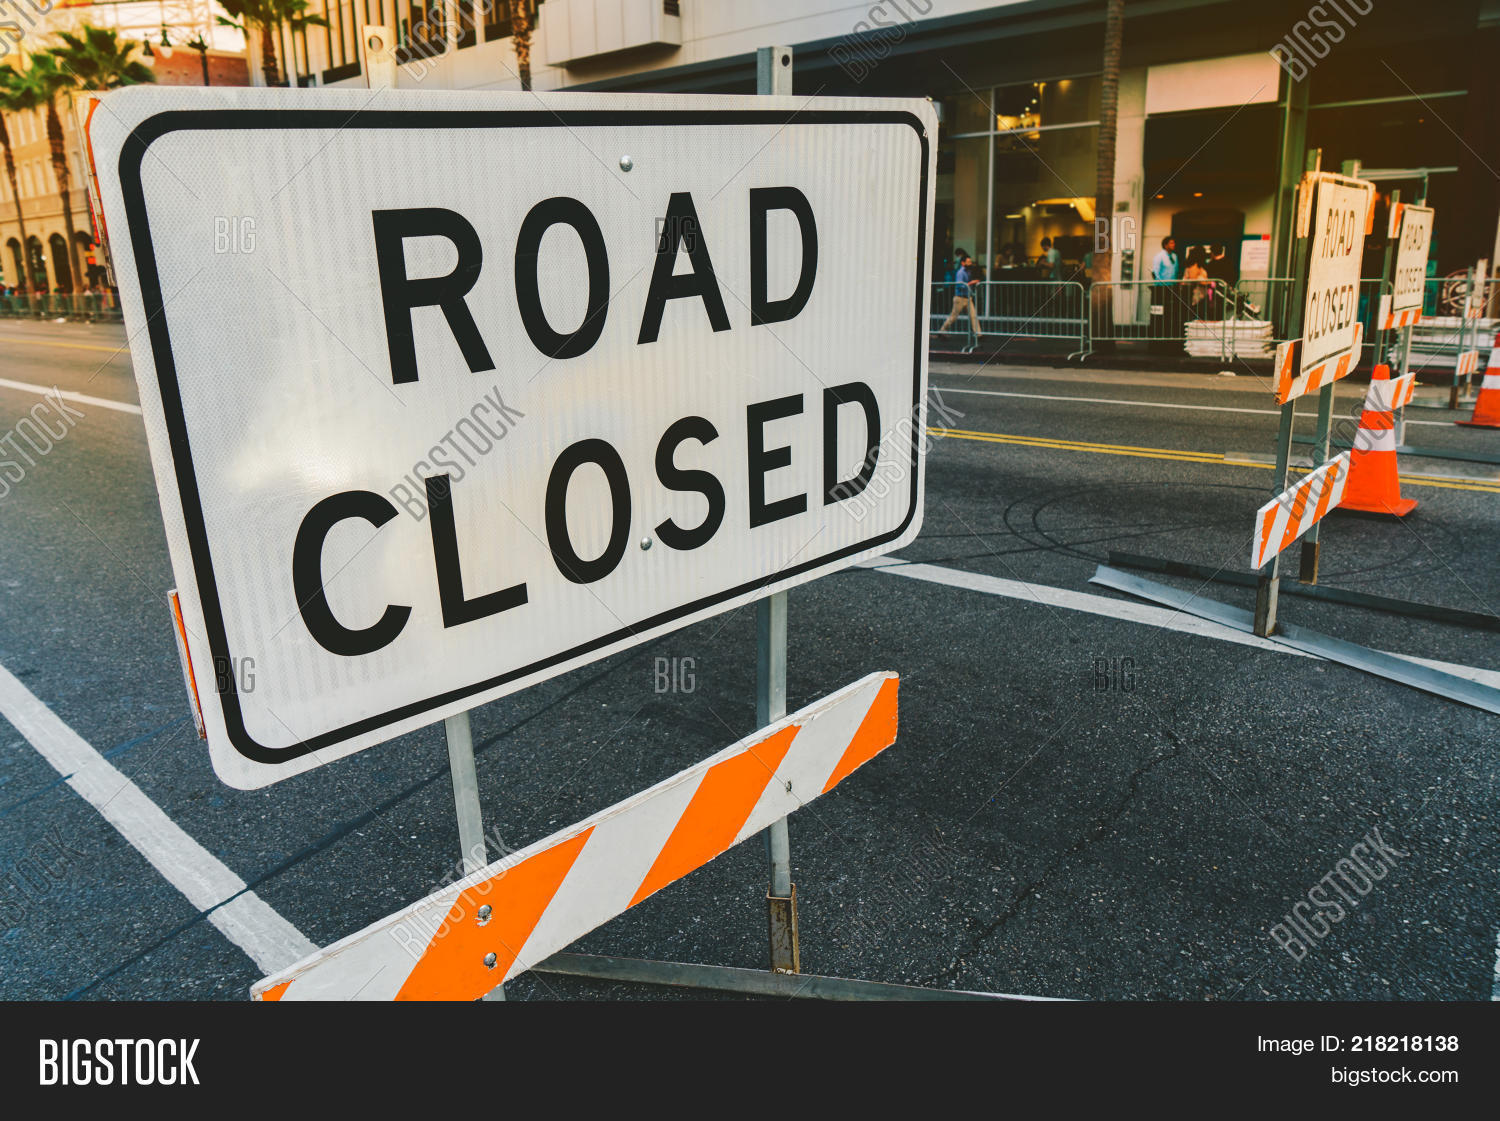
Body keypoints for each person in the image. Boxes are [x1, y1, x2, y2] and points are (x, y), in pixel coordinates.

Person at [1150, 236, 1182, 352]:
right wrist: (1159, 285)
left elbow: (1176, 271)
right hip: (1162, 288)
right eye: (1171, 243)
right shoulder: (1159, 257)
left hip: (1172, 288)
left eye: (1174, 243)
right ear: (1165, 245)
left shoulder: (1175, 256)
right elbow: (1156, 272)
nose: (1173, 245)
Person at [938, 254, 982, 340]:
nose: (970, 263)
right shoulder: (960, 272)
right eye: (968, 262)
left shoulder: (968, 271)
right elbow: (959, 285)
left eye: (970, 262)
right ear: (963, 263)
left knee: (973, 316)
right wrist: (971, 283)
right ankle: (942, 330)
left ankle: (978, 334)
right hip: (960, 298)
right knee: (953, 317)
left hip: (967, 297)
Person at [1184, 249, 1210, 320]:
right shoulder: (1194, 266)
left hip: (1199, 294)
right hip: (1197, 294)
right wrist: (1207, 282)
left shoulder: (1196, 265)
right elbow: (1194, 279)